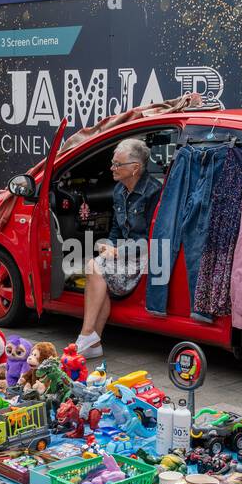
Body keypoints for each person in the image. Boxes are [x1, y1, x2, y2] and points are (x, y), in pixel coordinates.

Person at [71, 138, 161, 360]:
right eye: (113, 163)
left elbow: (153, 241)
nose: (112, 168)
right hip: (123, 254)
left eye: (117, 164)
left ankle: (85, 336)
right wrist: (108, 246)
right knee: (97, 268)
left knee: (94, 267)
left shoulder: (154, 193)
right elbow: (115, 231)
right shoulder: (119, 190)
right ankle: (92, 342)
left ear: (135, 168)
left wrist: (119, 252)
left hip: (145, 258)